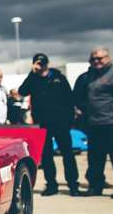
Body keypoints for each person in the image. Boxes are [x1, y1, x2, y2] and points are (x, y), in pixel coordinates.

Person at [18, 53, 79, 196]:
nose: (40, 65)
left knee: (67, 154)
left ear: (47, 63)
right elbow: (22, 91)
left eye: (42, 63)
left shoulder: (59, 78)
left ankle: (73, 185)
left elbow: (70, 99)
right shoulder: (33, 79)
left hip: (61, 122)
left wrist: (70, 120)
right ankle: (51, 185)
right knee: (46, 156)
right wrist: (32, 74)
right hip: (43, 123)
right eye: (37, 63)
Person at [74, 47, 113, 198]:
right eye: (93, 59)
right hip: (94, 124)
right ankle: (95, 187)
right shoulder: (90, 76)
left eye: (100, 58)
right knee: (95, 158)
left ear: (108, 58)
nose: (97, 61)